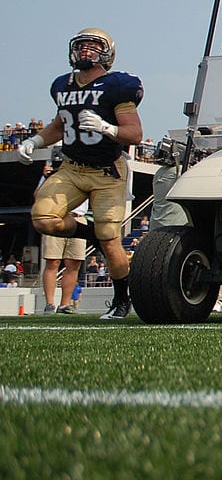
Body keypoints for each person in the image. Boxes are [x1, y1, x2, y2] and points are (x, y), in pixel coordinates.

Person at [20, 29, 144, 320]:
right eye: (82, 46)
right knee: (43, 219)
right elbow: (59, 126)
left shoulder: (117, 85)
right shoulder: (61, 85)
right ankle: (92, 231)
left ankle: (121, 300)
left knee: (111, 242)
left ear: (106, 53)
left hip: (107, 171)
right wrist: (35, 141)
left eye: (92, 47)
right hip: (72, 168)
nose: (86, 51)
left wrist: (107, 128)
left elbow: (135, 133)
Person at [37, 152, 87, 314]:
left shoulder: (86, 172)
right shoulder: (52, 176)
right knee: (53, 261)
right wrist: (46, 178)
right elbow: (37, 196)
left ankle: (65, 304)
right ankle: (50, 303)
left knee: (74, 263)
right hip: (55, 217)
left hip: (78, 217)